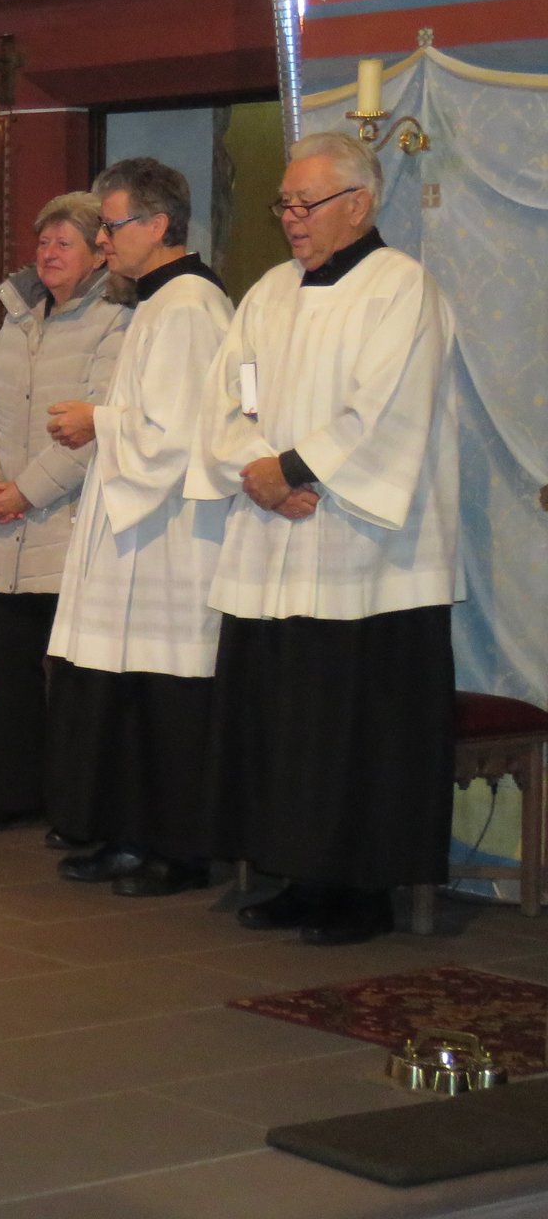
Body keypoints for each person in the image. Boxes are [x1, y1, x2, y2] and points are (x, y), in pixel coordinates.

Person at [187, 131, 461, 947]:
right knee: (282, 719)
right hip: (276, 538)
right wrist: (259, 471)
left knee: (355, 727)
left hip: (366, 556)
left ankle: (361, 889)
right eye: (284, 205)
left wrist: (296, 470)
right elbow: (227, 400)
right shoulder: (269, 292)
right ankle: (296, 873)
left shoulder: (401, 289)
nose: (291, 220)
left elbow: (386, 410)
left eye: (305, 205)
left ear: (359, 204)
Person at [43, 159, 232, 896]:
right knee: (126, 698)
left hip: (171, 540)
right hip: (137, 532)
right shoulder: (157, 302)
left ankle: (177, 848)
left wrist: (100, 420)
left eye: (112, 225)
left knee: (166, 701)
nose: (104, 240)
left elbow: (179, 432)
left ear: (157, 225)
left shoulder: (189, 306)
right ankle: (130, 833)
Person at [0, 193, 130, 834]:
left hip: (68, 528)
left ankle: (72, 808)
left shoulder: (116, 321)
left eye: (65, 243)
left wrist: (26, 492)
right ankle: (9, 795)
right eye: (43, 242)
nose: (48, 254)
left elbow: (93, 431)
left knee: (74, 684)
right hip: (6, 528)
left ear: (97, 256)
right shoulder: (18, 319)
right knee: (11, 670)